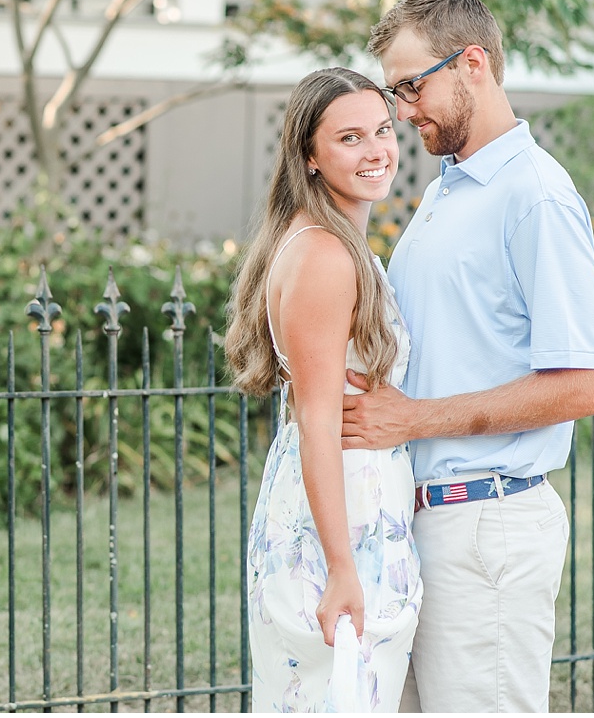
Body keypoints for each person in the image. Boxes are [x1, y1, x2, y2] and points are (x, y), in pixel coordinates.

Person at [342, 0, 594, 713]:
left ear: (472, 64)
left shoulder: (538, 197)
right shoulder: (445, 189)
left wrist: (412, 419)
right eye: (393, 92)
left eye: (410, 88)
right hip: (416, 526)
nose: (401, 112)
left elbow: (583, 385)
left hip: (487, 526)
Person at [226, 67, 424, 713]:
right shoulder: (324, 257)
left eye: (383, 131)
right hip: (339, 523)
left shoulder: (336, 245)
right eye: (349, 138)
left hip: (361, 506)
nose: (376, 151)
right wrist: (342, 567)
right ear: (309, 156)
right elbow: (317, 420)